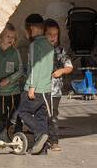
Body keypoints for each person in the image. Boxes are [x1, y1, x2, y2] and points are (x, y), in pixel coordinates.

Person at [16, 13, 53, 155]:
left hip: (34, 89)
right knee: (40, 117)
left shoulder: (34, 45)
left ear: (31, 28)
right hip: (46, 90)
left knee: (22, 111)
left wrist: (32, 87)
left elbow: (35, 67)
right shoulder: (49, 45)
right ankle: (42, 149)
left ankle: (40, 133)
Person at [44, 18, 73, 151]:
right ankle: (42, 138)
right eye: (49, 34)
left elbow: (69, 67)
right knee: (42, 115)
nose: (52, 37)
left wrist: (61, 70)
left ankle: (54, 140)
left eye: (55, 34)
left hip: (55, 91)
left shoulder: (60, 51)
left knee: (53, 115)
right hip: (41, 89)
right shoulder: (40, 50)